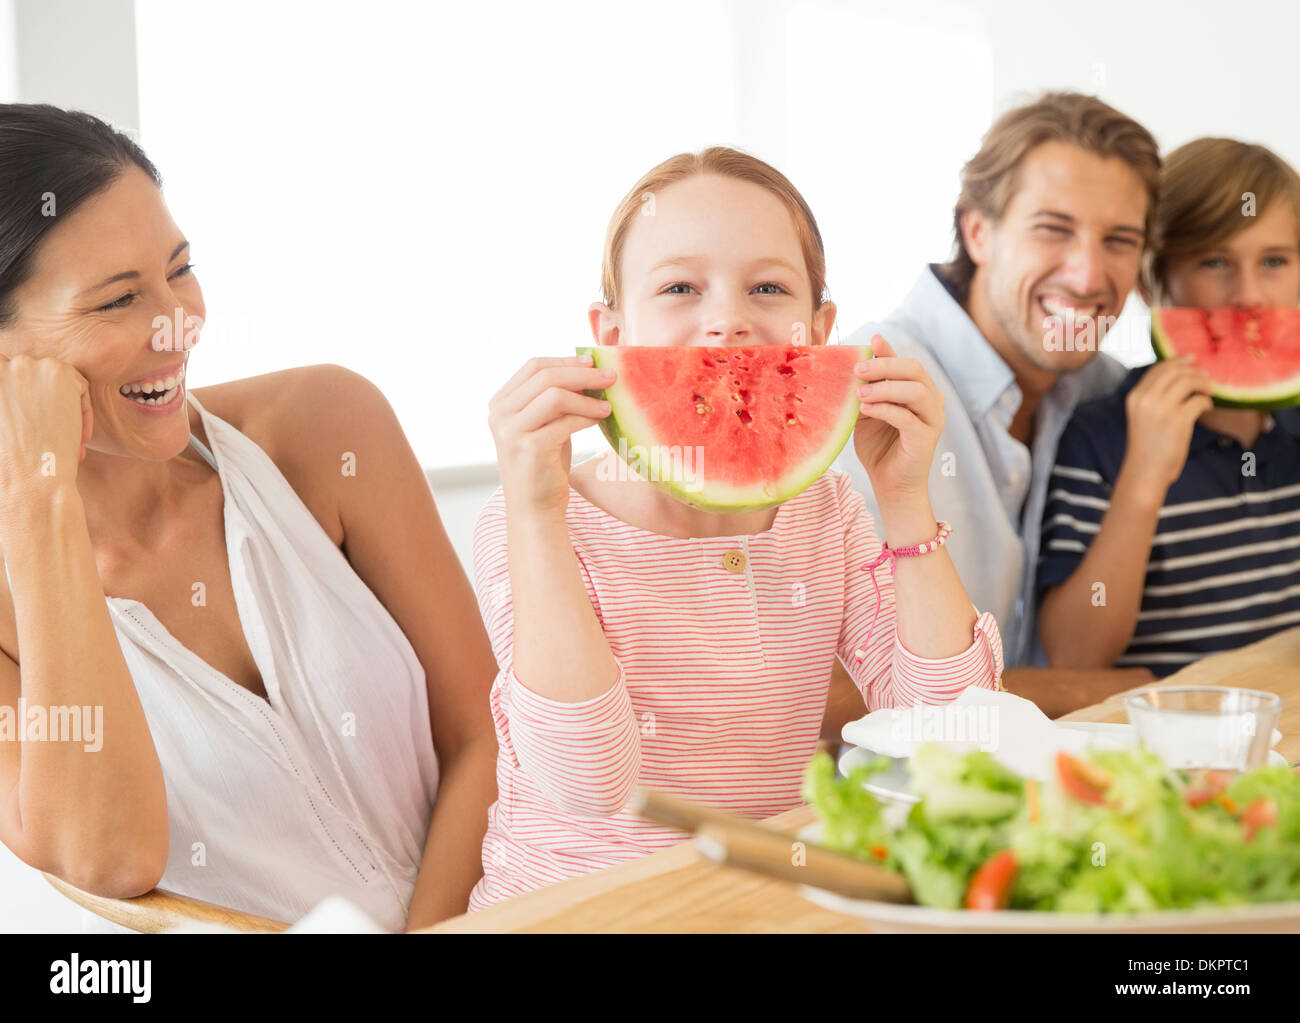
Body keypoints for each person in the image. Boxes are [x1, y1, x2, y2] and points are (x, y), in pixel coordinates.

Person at [0, 104, 498, 932]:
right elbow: (110, 859)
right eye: (117, 301)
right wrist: (39, 508)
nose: (178, 322)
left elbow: (483, 733)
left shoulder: (326, 426)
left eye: (179, 269)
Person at [471, 146, 1004, 908]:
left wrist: (905, 496)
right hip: (569, 912)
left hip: (755, 907)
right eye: (681, 286)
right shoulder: (536, 520)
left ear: (819, 332)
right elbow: (588, 782)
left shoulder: (829, 514)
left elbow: (952, 735)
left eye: (768, 287)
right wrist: (533, 513)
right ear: (610, 335)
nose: (727, 320)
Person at [826, 91, 1161, 722]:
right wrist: (1102, 691)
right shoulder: (868, 392)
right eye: (1052, 229)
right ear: (978, 231)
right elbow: (820, 691)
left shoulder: (1100, 388)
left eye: (1120, 240)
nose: (1090, 276)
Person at [1037, 138, 1300, 675]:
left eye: (1274, 260)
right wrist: (1144, 479)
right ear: (1152, 283)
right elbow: (1074, 655)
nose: (1248, 294)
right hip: (1163, 746)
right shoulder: (1098, 437)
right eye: (1215, 261)